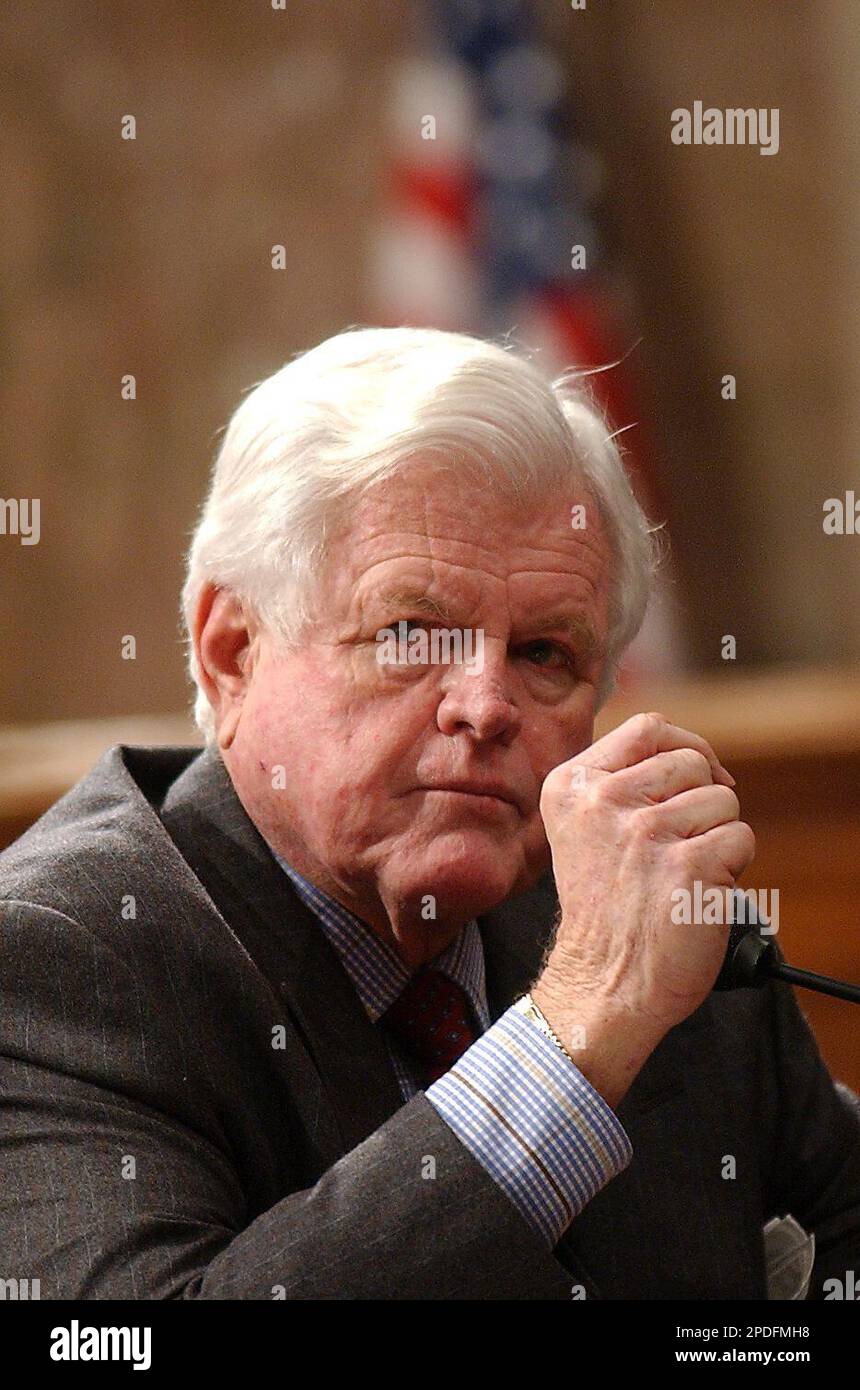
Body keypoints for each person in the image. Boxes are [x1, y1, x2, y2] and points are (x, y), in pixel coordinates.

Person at [1, 327, 858, 1299]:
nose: (486, 703)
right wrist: (574, 1030)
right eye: (410, 630)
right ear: (231, 652)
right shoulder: (50, 963)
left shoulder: (656, 935)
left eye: (542, 653)